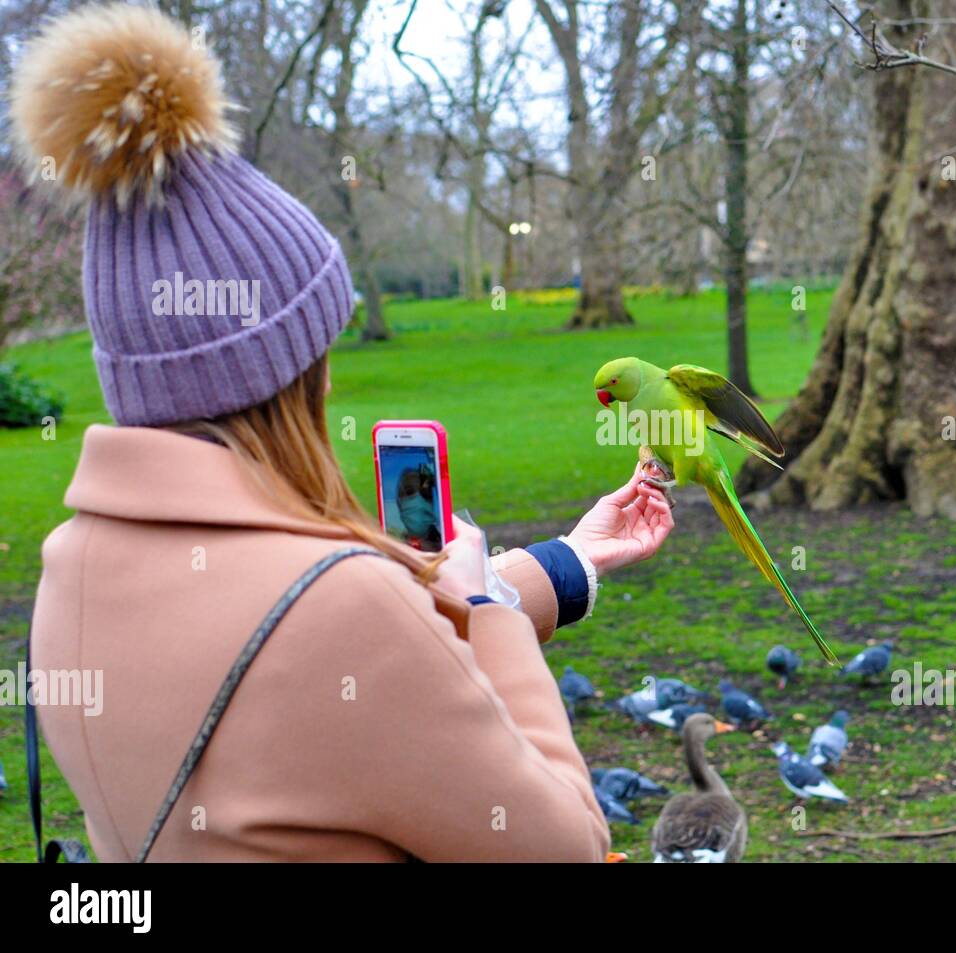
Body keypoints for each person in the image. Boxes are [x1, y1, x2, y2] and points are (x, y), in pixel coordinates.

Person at [15, 2, 673, 861]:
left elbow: (349, 691)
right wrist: (485, 609)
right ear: (291, 372)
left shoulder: (72, 572)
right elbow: (567, 846)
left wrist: (570, 562)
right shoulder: (338, 606)